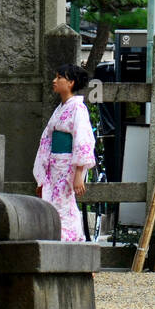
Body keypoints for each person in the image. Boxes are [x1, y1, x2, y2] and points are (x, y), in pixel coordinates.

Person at [32, 63, 97, 243]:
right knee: (53, 206)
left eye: (59, 77)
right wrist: (42, 177)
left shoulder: (77, 108)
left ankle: (73, 244)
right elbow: (46, 141)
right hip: (54, 167)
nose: (55, 80)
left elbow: (83, 141)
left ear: (70, 83)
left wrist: (79, 174)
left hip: (67, 167)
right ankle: (61, 245)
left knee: (64, 208)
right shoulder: (61, 109)